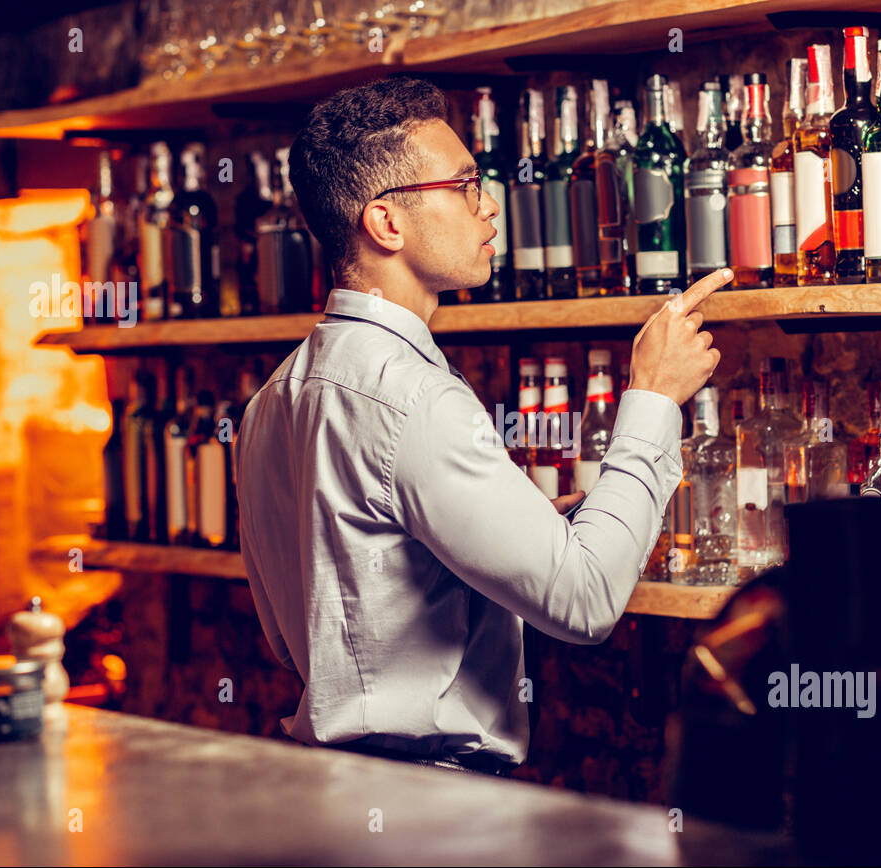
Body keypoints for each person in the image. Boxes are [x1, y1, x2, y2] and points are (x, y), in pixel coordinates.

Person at [234, 75, 729, 778]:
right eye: (465, 184)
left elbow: (305, 629)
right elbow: (586, 602)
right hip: (430, 807)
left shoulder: (270, 402)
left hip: (331, 787)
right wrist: (652, 394)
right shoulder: (414, 398)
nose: (488, 204)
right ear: (387, 223)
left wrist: (524, 524)